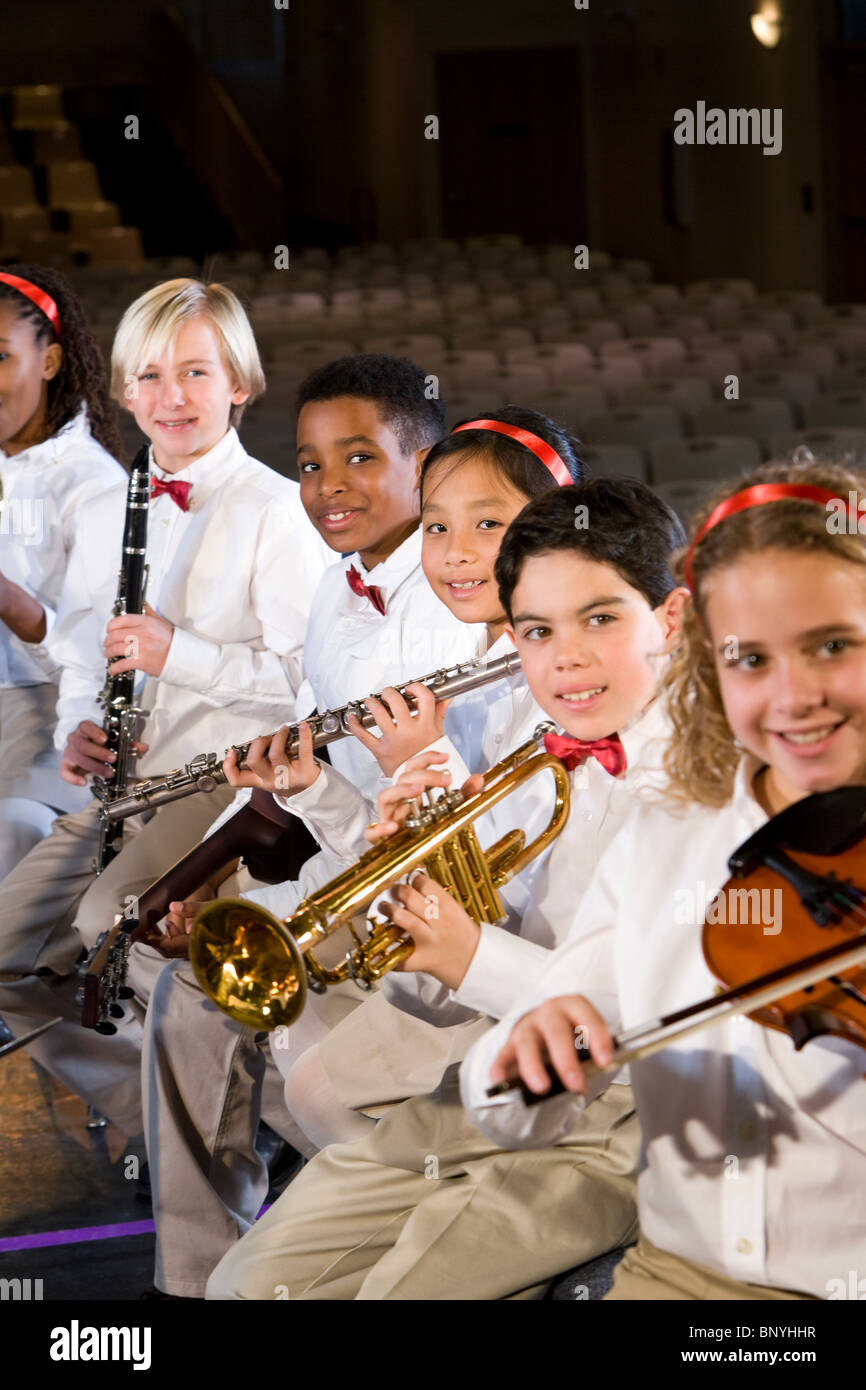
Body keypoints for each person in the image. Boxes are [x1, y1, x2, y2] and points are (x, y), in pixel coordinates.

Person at [206, 472, 689, 1302]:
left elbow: (629, 1015)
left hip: (625, 1121)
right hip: (488, 1082)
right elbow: (447, 998)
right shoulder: (546, 751)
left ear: (671, 621)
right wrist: (424, 886)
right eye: (536, 630)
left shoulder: (704, 784)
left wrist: (471, 955)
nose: (564, 657)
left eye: (600, 619)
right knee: (243, 1289)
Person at [463, 459, 866, 1302]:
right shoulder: (667, 835)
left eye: (832, 646)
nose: (793, 697)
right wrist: (527, 1052)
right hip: (678, 1277)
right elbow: (504, 1102)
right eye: (751, 658)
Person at [140, 355, 485, 1298]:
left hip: (433, 899)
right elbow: (309, 778)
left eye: (361, 458)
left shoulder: (467, 600)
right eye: (308, 465)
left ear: (427, 462)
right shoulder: (338, 589)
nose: (329, 487)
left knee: (288, 1050)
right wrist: (215, 879)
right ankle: (195, 1275)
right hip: (351, 859)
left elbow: (451, 842)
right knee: (189, 983)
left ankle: (402, 1216)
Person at [0, 277, 329, 1134]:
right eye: (148, 376)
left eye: (194, 373)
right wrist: (80, 722)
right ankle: (156, 1117)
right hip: (128, 784)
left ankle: (283, 1124)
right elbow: (79, 641)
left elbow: (308, 686)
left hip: (222, 780)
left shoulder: (276, 512)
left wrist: (181, 653)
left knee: (113, 926)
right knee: (5, 953)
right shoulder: (117, 501)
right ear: (122, 391)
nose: (170, 398)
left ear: (239, 386)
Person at [0, 265, 127, 876]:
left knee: (11, 830)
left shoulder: (94, 484)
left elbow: (102, 660)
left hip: (50, 726)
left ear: (49, 362)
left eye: (0, 356)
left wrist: (8, 599)